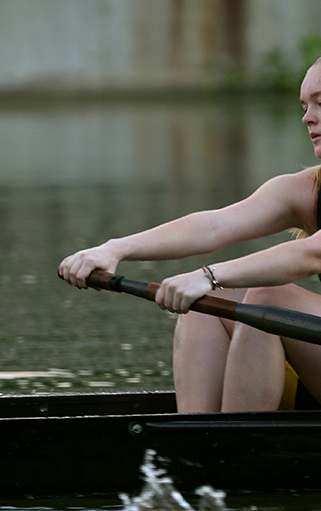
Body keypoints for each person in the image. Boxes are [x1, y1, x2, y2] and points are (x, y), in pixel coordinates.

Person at [59, 57, 321, 414]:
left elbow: (312, 254)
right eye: (304, 105)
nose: (307, 117)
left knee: (266, 296)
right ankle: (194, 445)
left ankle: (233, 453)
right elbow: (213, 226)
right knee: (206, 307)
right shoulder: (307, 189)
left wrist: (208, 276)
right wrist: (114, 249)